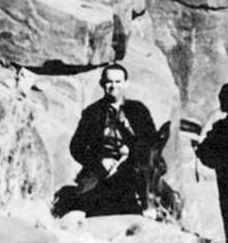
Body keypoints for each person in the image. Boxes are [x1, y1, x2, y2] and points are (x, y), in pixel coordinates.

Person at [67, 63, 159, 196]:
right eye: (109, 82)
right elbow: (76, 147)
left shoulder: (138, 110)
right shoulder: (92, 112)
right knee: (82, 198)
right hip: (101, 169)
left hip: (133, 165)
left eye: (118, 82)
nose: (113, 86)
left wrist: (131, 150)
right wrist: (98, 162)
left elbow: (151, 141)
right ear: (101, 84)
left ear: (126, 83)